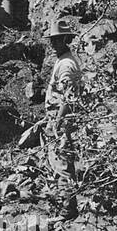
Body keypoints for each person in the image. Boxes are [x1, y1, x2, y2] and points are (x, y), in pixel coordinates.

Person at [44, 15, 83, 218]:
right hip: (60, 118)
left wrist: (57, 122)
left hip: (62, 119)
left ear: (66, 40)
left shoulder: (66, 64)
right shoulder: (65, 60)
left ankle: (68, 209)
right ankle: (66, 204)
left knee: (62, 164)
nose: (53, 44)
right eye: (52, 40)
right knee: (61, 162)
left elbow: (69, 98)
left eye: (57, 40)